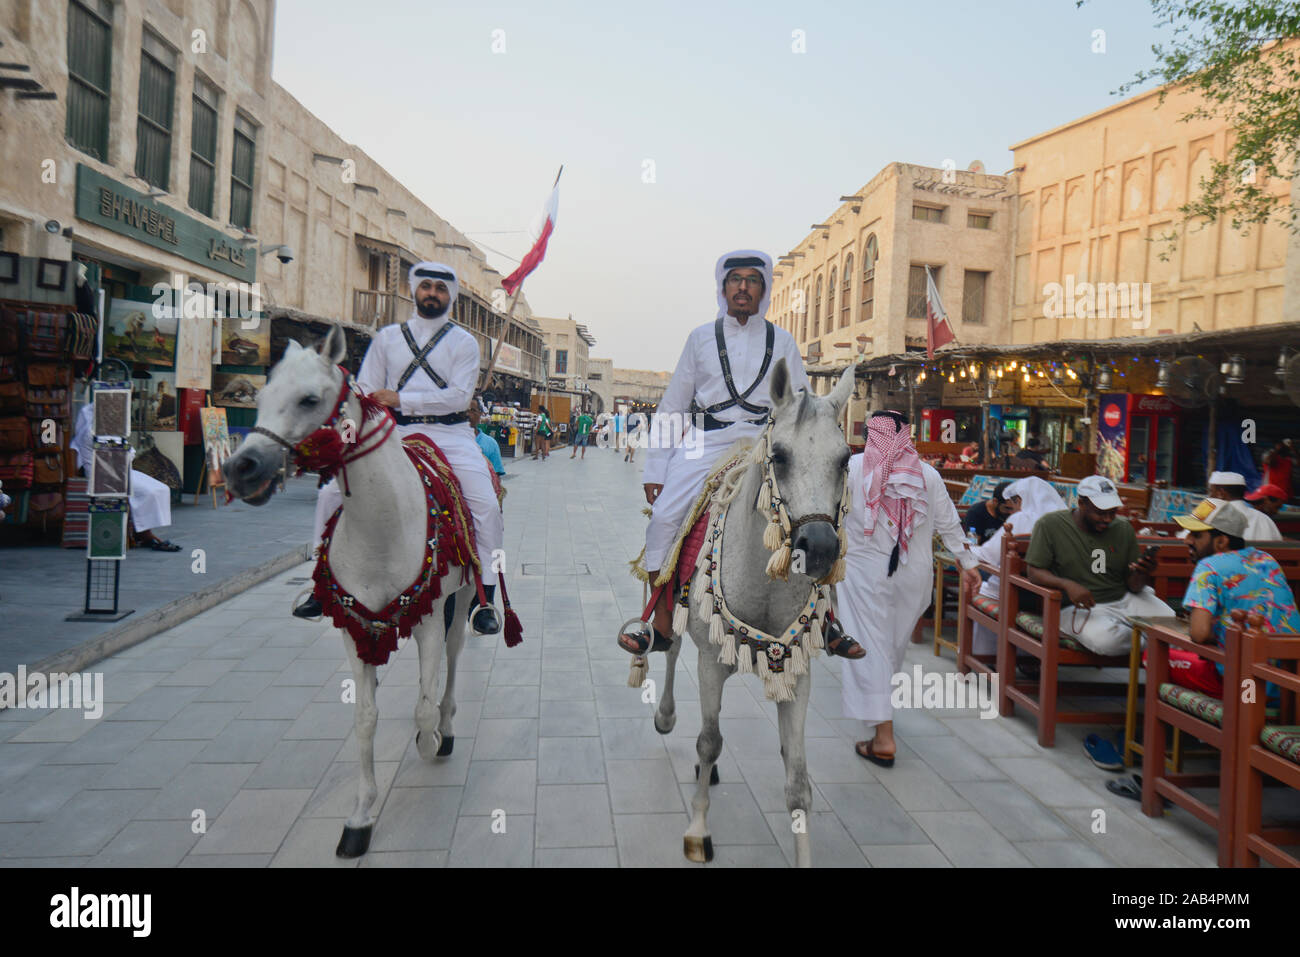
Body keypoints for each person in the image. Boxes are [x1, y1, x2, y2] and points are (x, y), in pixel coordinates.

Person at [617, 249, 860, 659]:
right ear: (723, 287)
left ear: (763, 290)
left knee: (815, 511)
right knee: (662, 518)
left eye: (752, 280)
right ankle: (657, 621)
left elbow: (801, 404)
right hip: (705, 442)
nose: (742, 287)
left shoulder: (782, 340)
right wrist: (655, 468)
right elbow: (674, 406)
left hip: (764, 441)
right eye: (735, 279)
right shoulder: (699, 338)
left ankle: (827, 617)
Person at [294, 262, 504, 635]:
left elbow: (458, 397)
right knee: (329, 494)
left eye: (440, 289)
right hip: (391, 432)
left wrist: (401, 398)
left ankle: (484, 597)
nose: (432, 294)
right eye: (426, 286)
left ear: (450, 296)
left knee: (486, 505)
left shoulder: (464, 343)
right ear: (414, 290)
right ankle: (319, 583)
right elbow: (364, 392)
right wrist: (339, 441)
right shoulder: (388, 338)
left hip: (450, 435)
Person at [840, 411, 983, 766]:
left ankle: (883, 738)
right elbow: (950, 523)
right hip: (915, 577)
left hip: (866, 575)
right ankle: (880, 723)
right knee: (890, 650)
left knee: (869, 648)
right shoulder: (927, 474)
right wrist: (969, 564)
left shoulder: (853, 469)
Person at [1024, 475, 1173, 655]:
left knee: (1171, 625)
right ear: (1081, 503)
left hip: (1123, 597)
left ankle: (1145, 642)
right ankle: (1150, 644)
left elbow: (1134, 585)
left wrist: (1143, 572)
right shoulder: (1050, 525)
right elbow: (1033, 571)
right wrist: (1066, 584)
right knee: (1107, 641)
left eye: (1112, 512)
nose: (1108, 519)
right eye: (1101, 513)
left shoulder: (1123, 528)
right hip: (1075, 607)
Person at [1172, 499, 1300, 696]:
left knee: (1153, 656)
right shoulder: (1267, 560)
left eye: (1196, 535)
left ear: (1221, 541)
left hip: (1244, 687)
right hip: (1287, 686)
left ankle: (1166, 726)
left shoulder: (1209, 566)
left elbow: (1199, 633)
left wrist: (1221, 630)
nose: (1187, 540)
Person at [968, 476, 1068, 656]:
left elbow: (988, 555)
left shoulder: (1021, 519)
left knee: (977, 585)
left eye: (1015, 501)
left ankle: (982, 653)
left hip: (1016, 593)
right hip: (1054, 595)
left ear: (1022, 499)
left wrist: (966, 552)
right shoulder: (1064, 519)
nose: (1013, 507)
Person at [73, 401, 180, 552]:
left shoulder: (104, 430)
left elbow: (123, 452)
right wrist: (127, 451)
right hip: (105, 475)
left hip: (116, 471)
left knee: (159, 487)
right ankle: (143, 532)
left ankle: (143, 530)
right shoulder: (94, 432)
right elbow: (120, 454)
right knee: (149, 491)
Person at [1207, 471, 1281, 540]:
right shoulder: (1265, 519)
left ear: (1221, 493)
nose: (1209, 496)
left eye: (1211, 491)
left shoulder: (1210, 516)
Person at [963, 480, 1015, 545]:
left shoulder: (1014, 513)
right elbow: (973, 544)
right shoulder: (976, 513)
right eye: (1007, 508)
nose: (1011, 512)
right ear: (995, 501)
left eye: (1013, 508)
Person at [468, 402, 505, 478]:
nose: (468, 414)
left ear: (480, 414)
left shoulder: (490, 443)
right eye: (464, 411)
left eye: (472, 410)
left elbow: (496, 475)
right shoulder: (451, 442)